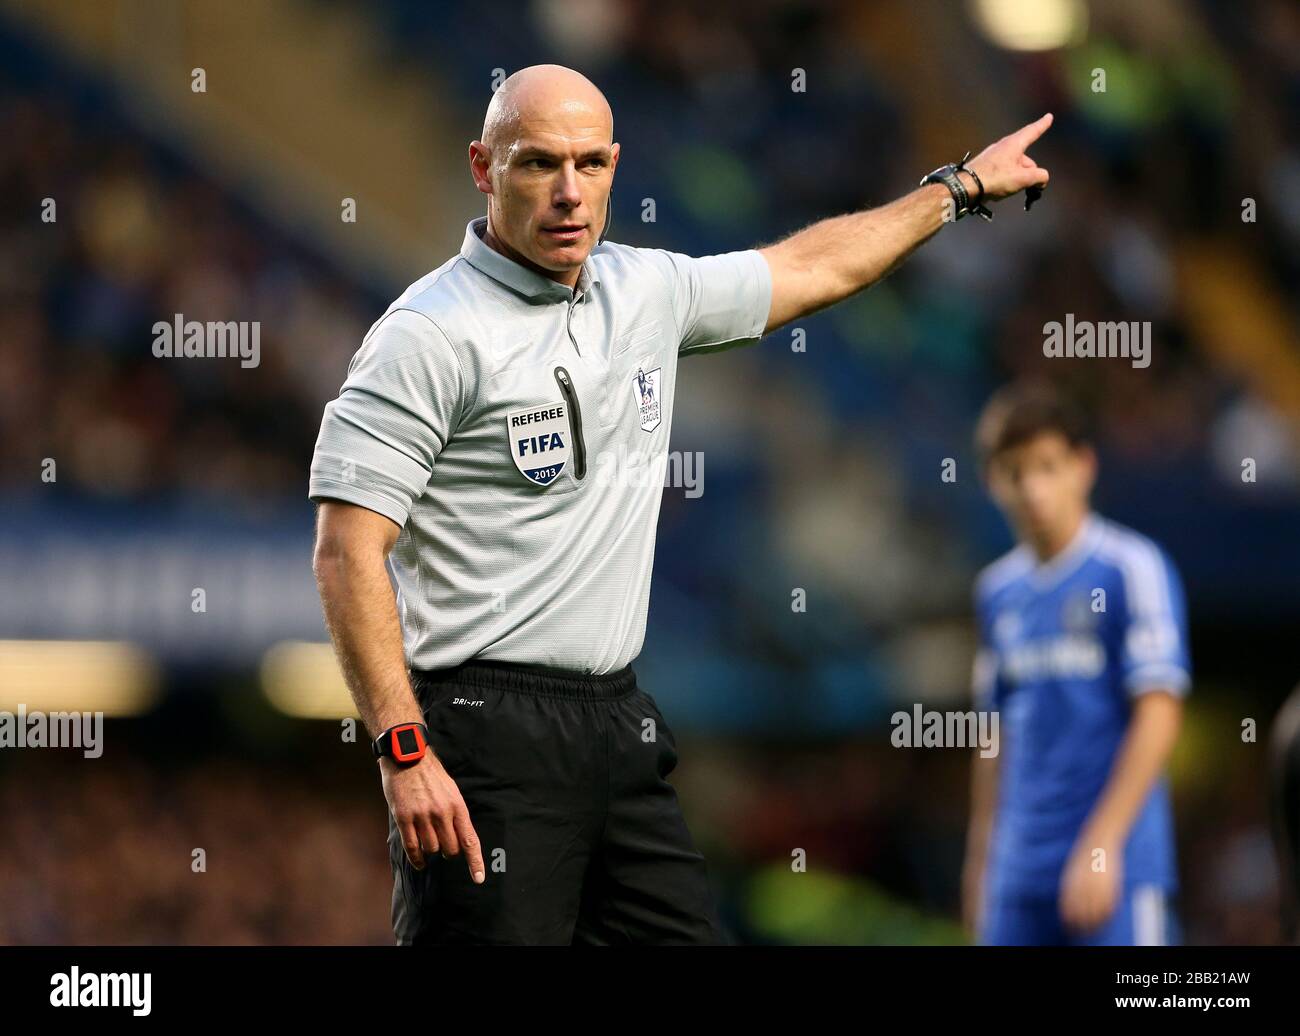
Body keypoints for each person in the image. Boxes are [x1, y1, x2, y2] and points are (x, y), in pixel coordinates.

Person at [309, 63, 1052, 944]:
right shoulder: (427, 334)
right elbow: (347, 550)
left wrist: (958, 190)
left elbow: (812, 265)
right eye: (540, 164)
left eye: (590, 164)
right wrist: (403, 749)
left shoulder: (645, 291)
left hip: (616, 722)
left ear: (617, 166)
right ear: (483, 167)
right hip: (484, 734)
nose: (569, 192)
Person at [963, 383, 1189, 945]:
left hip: (1112, 867)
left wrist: (1103, 842)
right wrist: (980, 862)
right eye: (1016, 472)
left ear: (1083, 467)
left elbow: (1159, 712)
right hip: (1018, 875)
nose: (1033, 488)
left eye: (1048, 467)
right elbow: (993, 736)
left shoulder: (1130, 568)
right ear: (993, 482)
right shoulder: (997, 592)